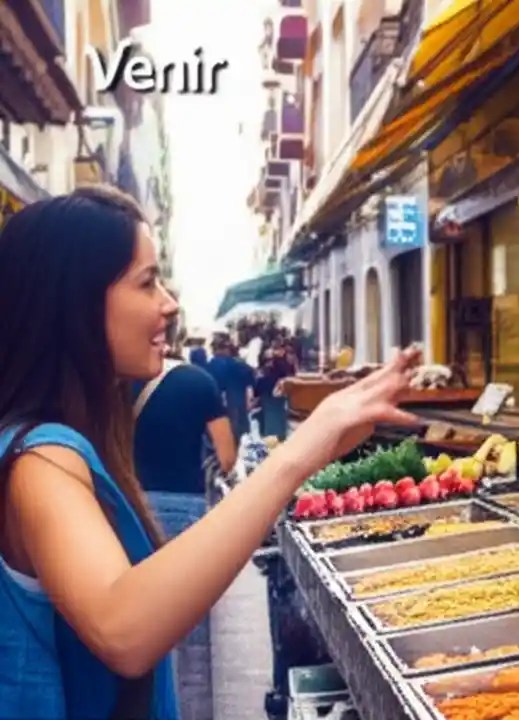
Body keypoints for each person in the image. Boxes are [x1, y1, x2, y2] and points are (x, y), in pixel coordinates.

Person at [0, 185, 423, 719]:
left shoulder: (59, 446)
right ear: (77, 303)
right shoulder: (41, 460)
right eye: (147, 282)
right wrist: (297, 457)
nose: (170, 304)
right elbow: (123, 629)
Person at [129, 357, 235, 720]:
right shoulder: (199, 382)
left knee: (138, 631)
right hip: (184, 511)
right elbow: (227, 456)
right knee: (191, 638)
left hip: (129, 510)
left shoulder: (117, 382)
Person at [206, 338, 254, 444]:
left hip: (221, 402)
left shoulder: (212, 364)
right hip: (238, 401)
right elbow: (250, 379)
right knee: (239, 430)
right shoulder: (239, 364)